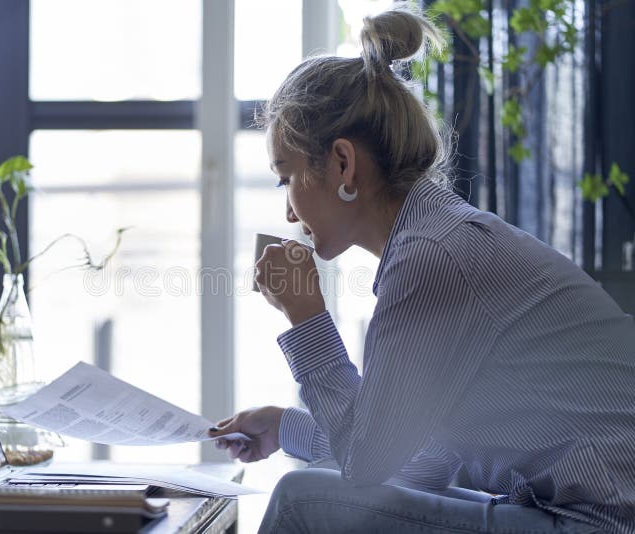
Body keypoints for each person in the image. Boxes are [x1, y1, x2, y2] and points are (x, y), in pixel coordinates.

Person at [208, 6, 635, 533]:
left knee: (302, 498)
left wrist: (305, 314)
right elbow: (422, 458)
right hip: (583, 513)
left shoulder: (434, 256)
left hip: (602, 521)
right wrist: (285, 427)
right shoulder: (437, 238)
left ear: (342, 164)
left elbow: (368, 464)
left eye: (286, 178)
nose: (289, 212)